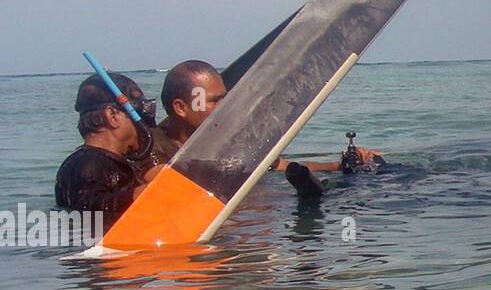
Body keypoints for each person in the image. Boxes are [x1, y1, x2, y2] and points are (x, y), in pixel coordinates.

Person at [159, 59, 381, 195]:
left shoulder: (231, 144)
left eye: (225, 99)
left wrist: (340, 165)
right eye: (214, 101)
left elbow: (277, 166)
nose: (224, 108)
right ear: (180, 108)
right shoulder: (160, 154)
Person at [55, 73, 158, 226]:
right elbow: (86, 208)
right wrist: (139, 195)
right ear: (113, 115)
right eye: (137, 113)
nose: (143, 123)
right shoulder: (86, 165)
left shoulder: (115, 162)